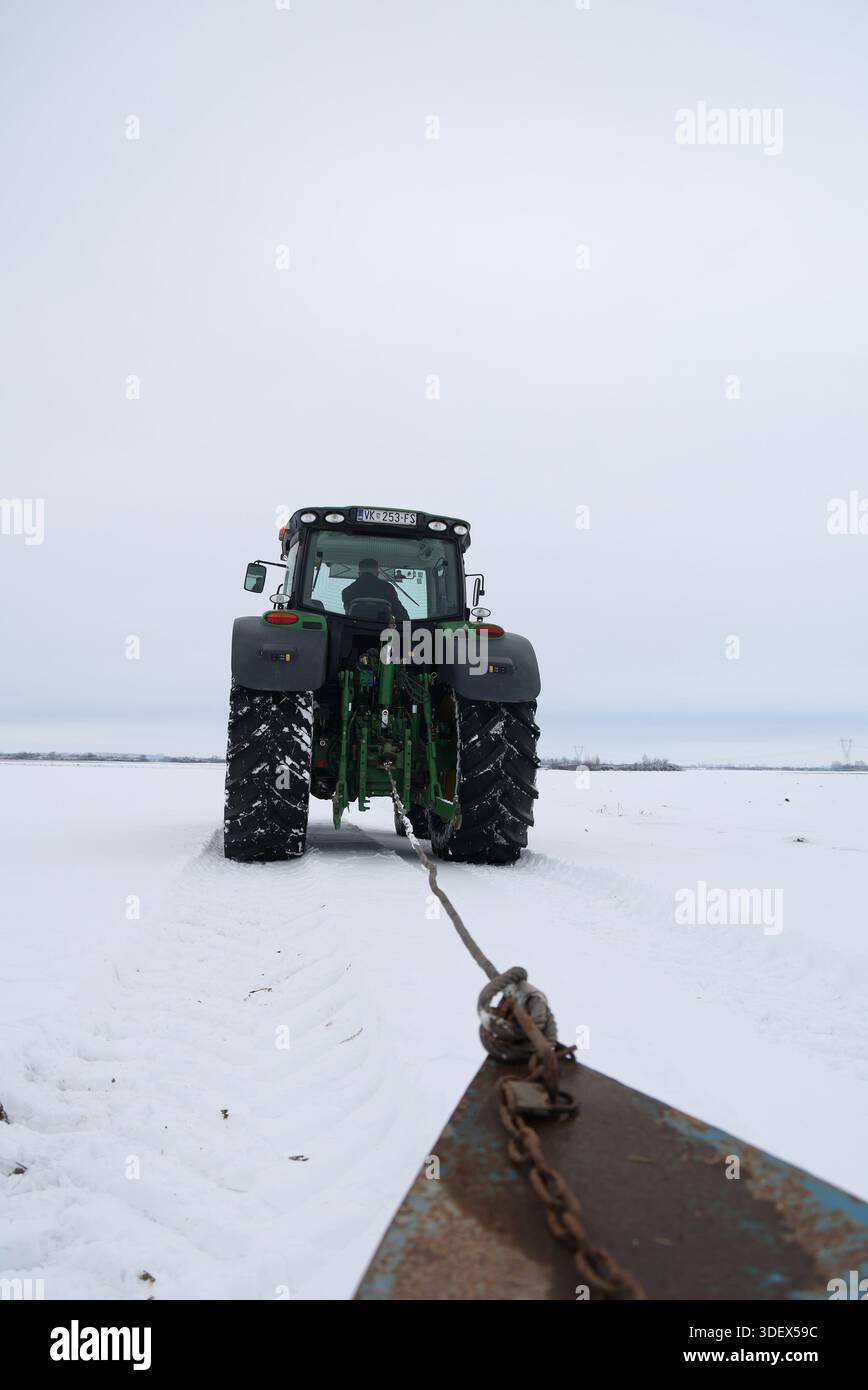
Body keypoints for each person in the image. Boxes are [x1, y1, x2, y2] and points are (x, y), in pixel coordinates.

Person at [342, 557, 409, 622]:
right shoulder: (388, 588)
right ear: (377, 574)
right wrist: (407, 632)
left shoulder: (347, 591)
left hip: (355, 631)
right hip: (382, 631)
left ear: (359, 574)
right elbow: (402, 614)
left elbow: (348, 617)